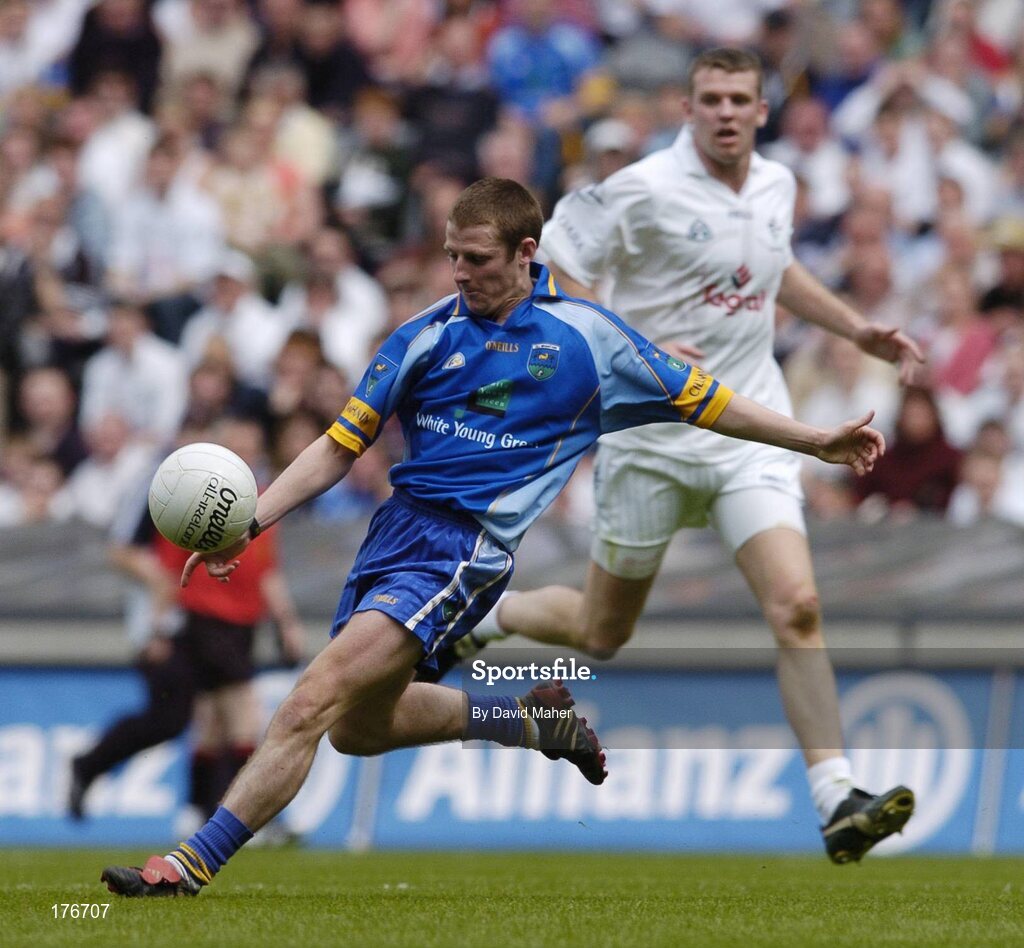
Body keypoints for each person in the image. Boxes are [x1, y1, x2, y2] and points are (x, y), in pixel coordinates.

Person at [100, 176, 887, 897]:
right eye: (451, 257)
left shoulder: (587, 340)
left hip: (465, 550)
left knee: (311, 698)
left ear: (526, 253)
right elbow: (340, 446)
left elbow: (710, 400)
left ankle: (189, 864)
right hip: (395, 538)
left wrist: (813, 439)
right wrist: (253, 518)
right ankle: (526, 720)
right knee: (356, 729)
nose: (460, 273)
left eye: (476, 259)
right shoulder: (422, 335)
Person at [433, 50, 925, 865]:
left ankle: (837, 798)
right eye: (711, 99)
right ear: (688, 107)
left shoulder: (777, 185)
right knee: (601, 632)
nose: (726, 111)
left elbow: (772, 270)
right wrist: (641, 346)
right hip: (653, 440)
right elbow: (551, 278)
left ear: (762, 110)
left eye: (740, 98)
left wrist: (853, 328)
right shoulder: (641, 188)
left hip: (751, 432)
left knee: (796, 603)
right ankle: (496, 616)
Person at [71, 423, 305, 826]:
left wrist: (286, 622)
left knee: (207, 720)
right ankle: (251, 817)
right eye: (236, 448)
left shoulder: (265, 502)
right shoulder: (198, 502)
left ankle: (200, 808)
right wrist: (159, 629)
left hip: (240, 622)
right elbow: (166, 570)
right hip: (206, 616)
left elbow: (267, 571)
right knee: (239, 712)